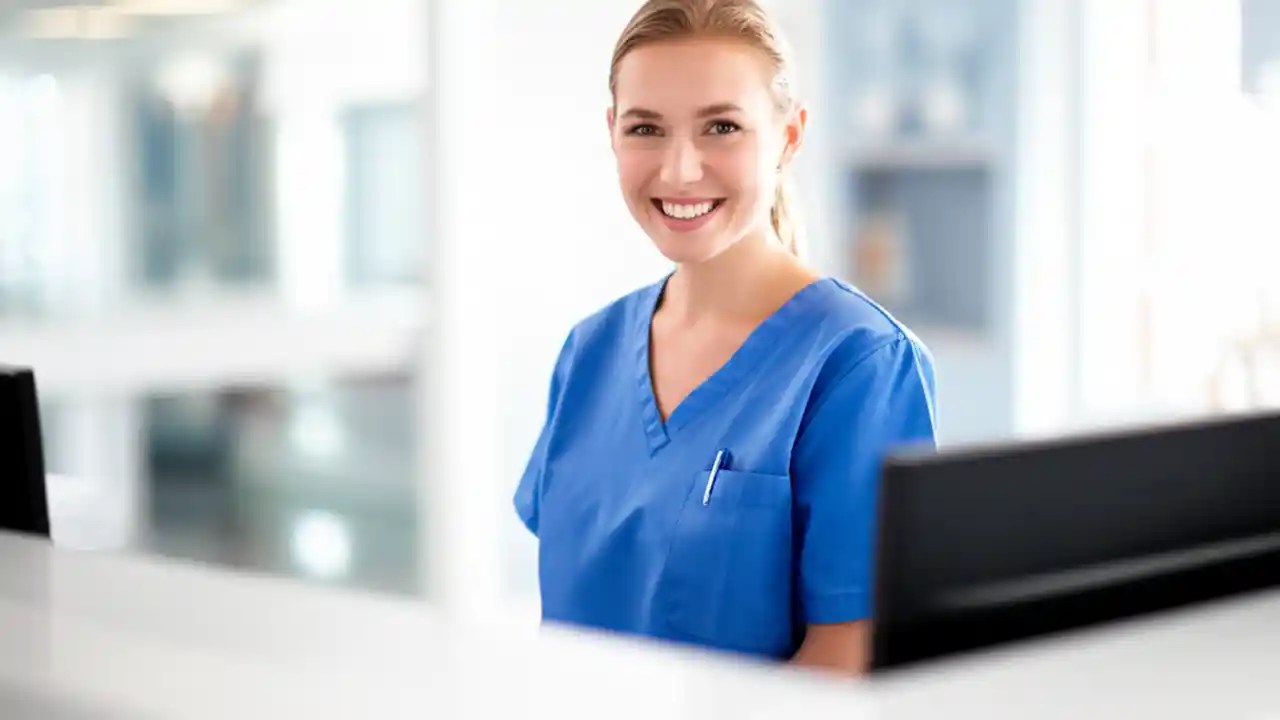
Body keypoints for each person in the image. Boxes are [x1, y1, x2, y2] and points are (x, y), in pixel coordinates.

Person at [513, 0, 937, 677]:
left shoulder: (858, 364)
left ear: (789, 137)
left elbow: (848, 656)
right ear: (612, 134)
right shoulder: (587, 353)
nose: (680, 170)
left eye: (721, 127)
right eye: (646, 128)